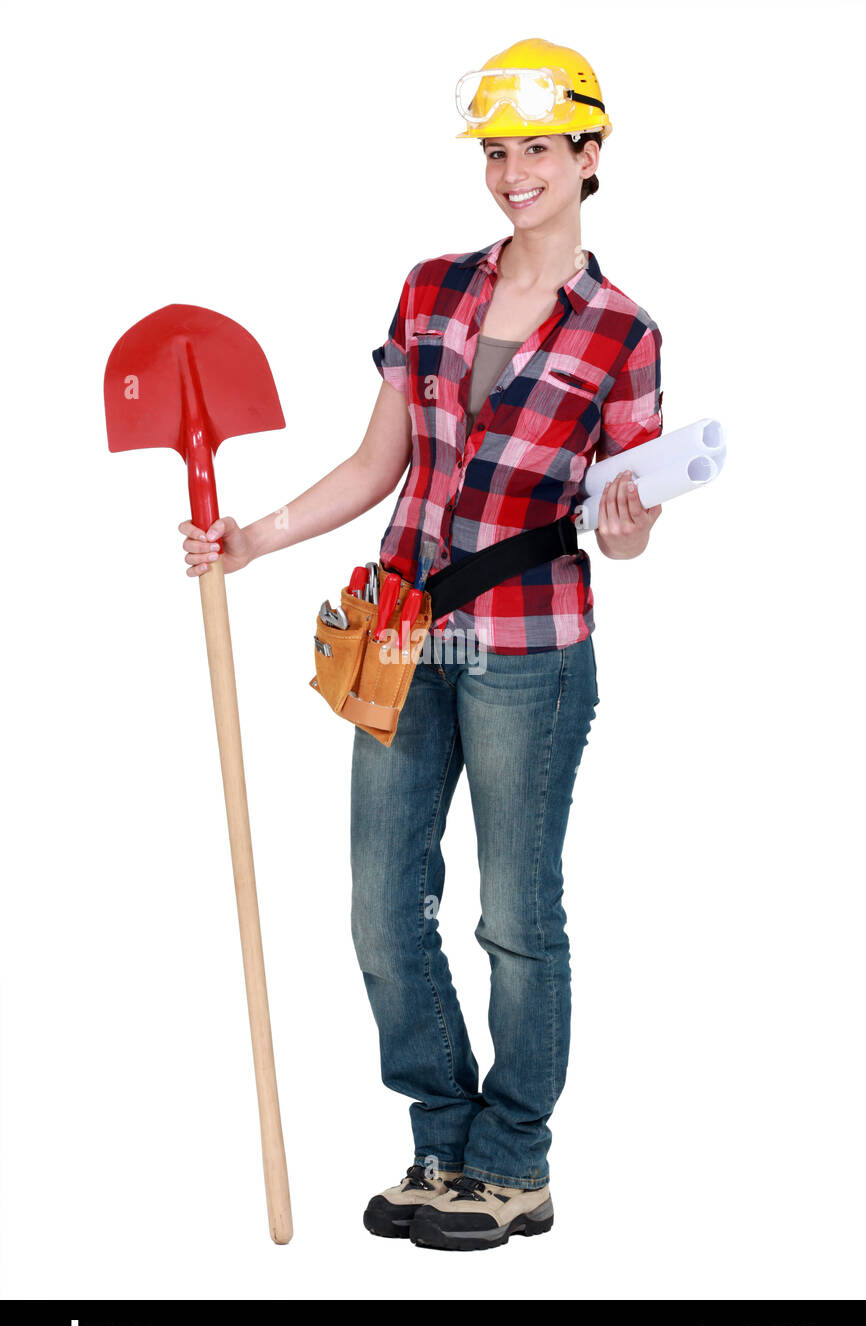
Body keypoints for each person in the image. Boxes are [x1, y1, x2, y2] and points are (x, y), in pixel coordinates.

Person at [179, 37, 663, 1252]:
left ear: (589, 156)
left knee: (515, 915)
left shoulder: (621, 334)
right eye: (497, 152)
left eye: (537, 150)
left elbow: (627, 533)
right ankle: (441, 1141)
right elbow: (375, 462)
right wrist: (253, 538)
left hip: (529, 648)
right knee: (381, 906)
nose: (511, 173)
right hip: (401, 634)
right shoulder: (431, 288)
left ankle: (514, 1162)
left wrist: (631, 519)